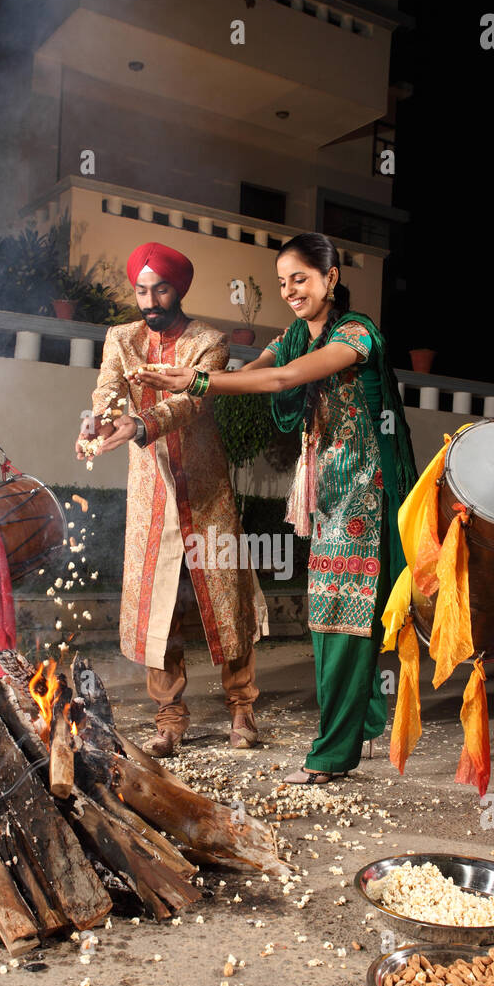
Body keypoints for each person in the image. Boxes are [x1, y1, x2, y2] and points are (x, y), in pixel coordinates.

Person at [135, 232, 417, 783]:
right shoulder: (294, 333)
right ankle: (361, 720)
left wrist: (197, 380)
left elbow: (285, 378)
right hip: (325, 492)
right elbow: (255, 369)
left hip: (364, 489)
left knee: (342, 618)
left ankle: (332, 754)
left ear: (331, 279)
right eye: (283, 281)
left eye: (302, 279)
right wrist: (192, 381)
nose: (291, 290)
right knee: (333, 616)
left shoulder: (358, 333)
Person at [75, 241, 268, 756]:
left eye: (160, 288)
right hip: (151, 490)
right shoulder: (120, 337)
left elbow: (194, 401)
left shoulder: (210, 341)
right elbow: (107, 391)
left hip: (204, 487)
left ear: (178, 289)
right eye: (141, 290)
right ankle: (168, 718)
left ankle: (242, 710)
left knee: (224, 594)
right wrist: (95, 421)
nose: (150, 299)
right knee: (159, 602)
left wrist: (140, 423)